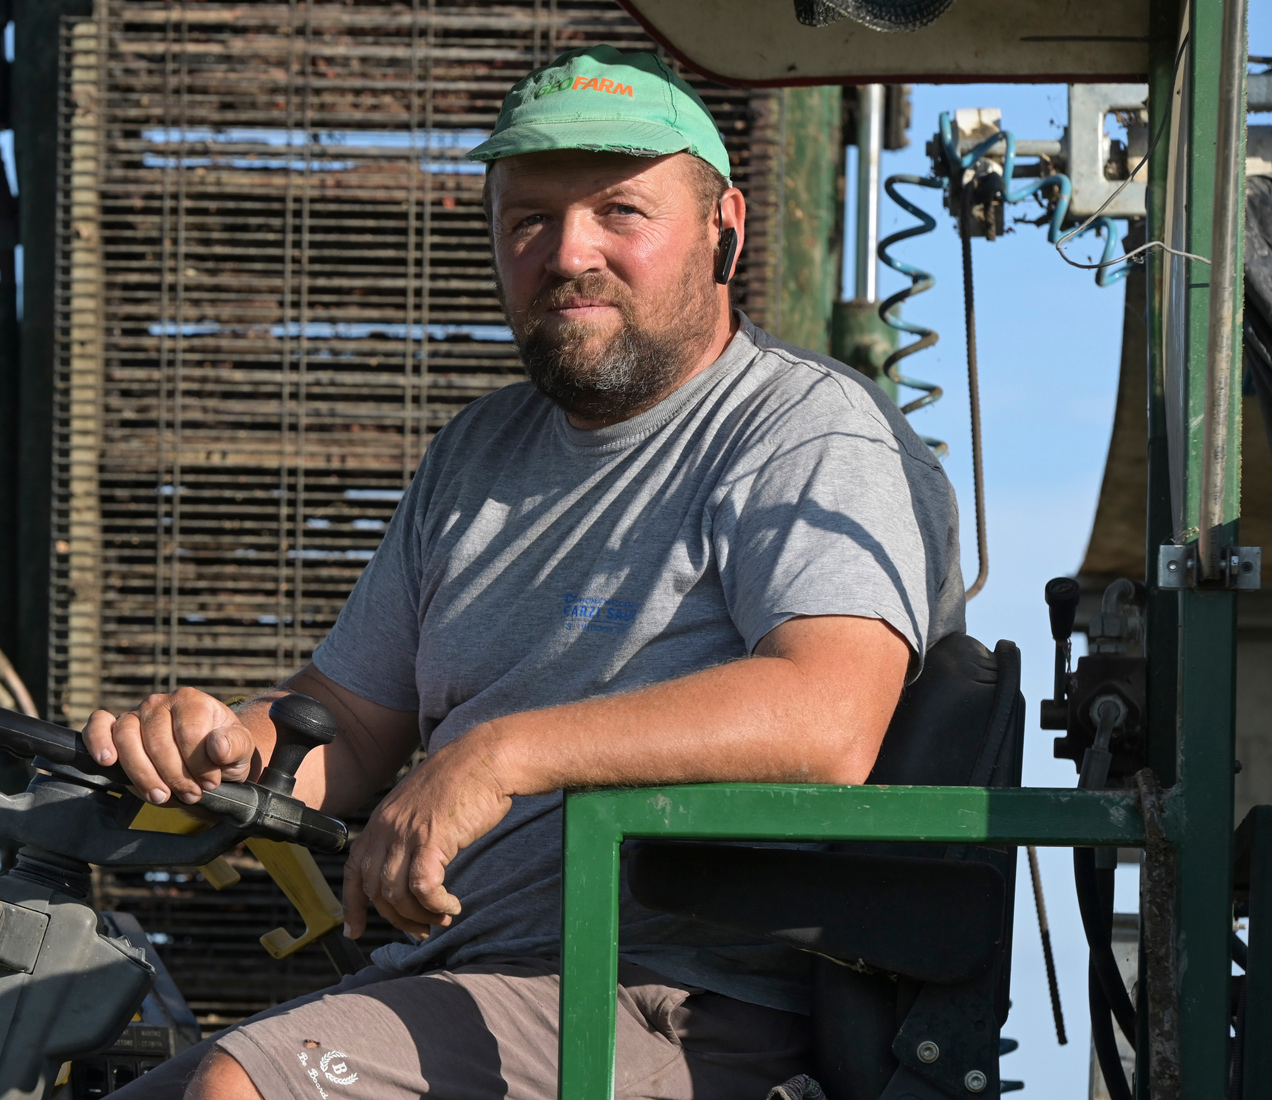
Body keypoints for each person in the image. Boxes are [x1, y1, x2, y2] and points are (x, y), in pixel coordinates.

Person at [92, 45, 963, 1100]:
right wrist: (217, 744)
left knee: (242, 1089)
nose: (568, 252)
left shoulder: (803, 430)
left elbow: (827, 717)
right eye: (528, 219)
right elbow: (351, 724)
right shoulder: (477, 455)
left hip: (675, 1002)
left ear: (724, 229)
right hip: (454, 976)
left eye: (621, 213)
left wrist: (501, 755)